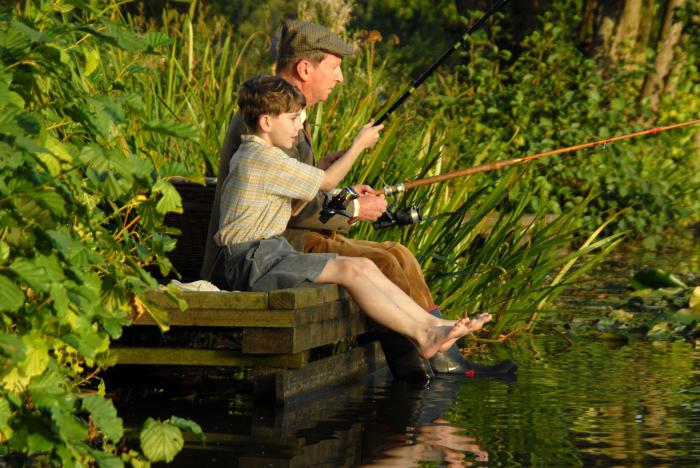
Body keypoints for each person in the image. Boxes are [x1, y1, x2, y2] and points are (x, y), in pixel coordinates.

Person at [216, 75, 492, 360]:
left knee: (362, 266)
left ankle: (432, 325)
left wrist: (346, 193)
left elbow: (301, 200)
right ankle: (424, 335)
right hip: (251, 262)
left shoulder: (264, 155)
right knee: (351, 271)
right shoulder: (260, 158)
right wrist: (358, 145)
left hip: (268, 254)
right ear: (266, 123)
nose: (300, 126)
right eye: (294, 118)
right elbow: (325, 182)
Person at [201, 19, 434, 312]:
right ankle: (426, 350)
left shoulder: (284, 112)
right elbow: (299, 208)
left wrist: (340, 187)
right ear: (305, 69)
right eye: (334, 67)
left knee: (398, 254)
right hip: (271, 250)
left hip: (284, 242)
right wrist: (356, 208)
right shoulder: (271, 117)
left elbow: (289, 187)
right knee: (386, 261)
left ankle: (437, 349)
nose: (340, 78)